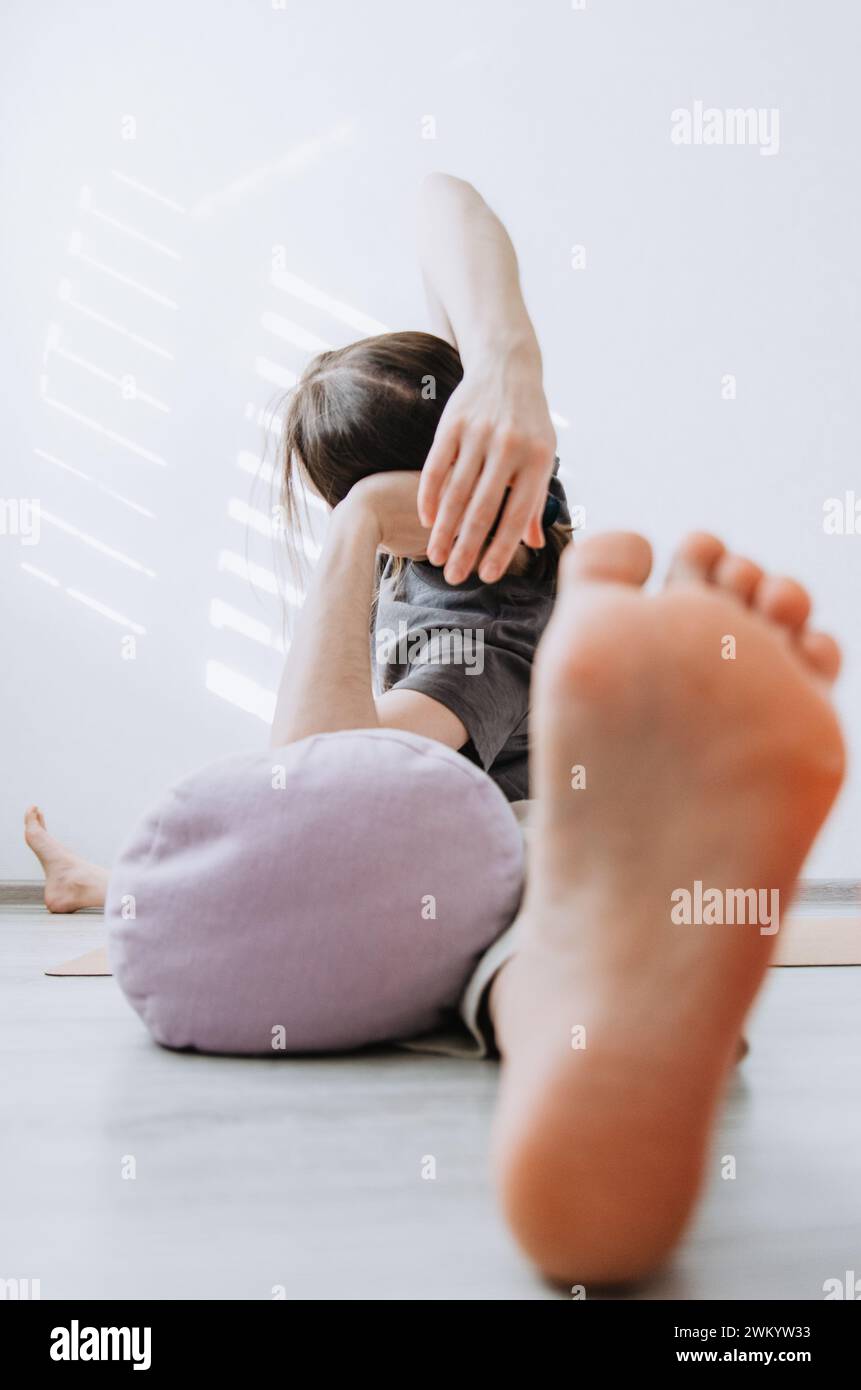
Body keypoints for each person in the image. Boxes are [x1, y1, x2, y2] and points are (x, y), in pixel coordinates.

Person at [24, 175, 845, 1284]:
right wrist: (504, 363)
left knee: (375, 888)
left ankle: (603, 979)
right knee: (517, 944)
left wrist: (366, 523)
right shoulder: (523, 530)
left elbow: (316, 784)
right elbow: (443, 205)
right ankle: (602, 1005)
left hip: (476, 846)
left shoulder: (476, 615)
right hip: (522, 857)